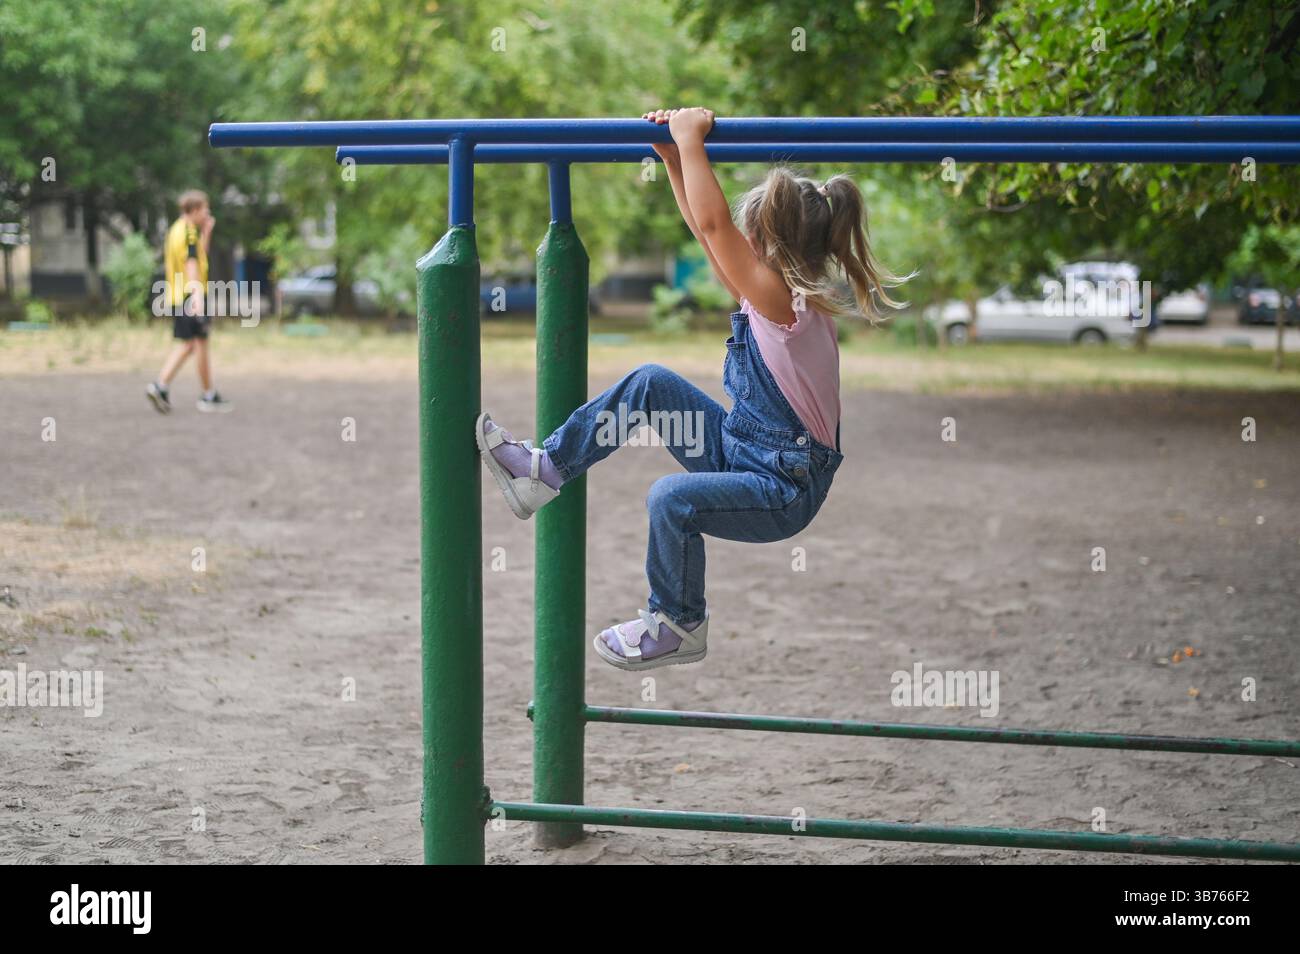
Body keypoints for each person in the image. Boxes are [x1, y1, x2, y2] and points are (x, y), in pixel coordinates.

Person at [476, 107, 908, 671]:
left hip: (781, 488)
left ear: (766, 243)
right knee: (651, 383)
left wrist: (690, 138)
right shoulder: (772, 294)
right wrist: (679, 163)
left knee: (669, 498)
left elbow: (713, 228)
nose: (735, 244)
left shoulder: (786, 306)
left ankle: (679, 622)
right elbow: (708, 237)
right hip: (745, 454)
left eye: (745, 235)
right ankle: (545, 470)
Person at [146, 189, 232, 413]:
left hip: (178, 293)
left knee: (197, 343)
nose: (207, 213)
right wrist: (196, 296)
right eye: (205, 209)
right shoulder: (189, 232)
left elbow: (197, 255)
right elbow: (191, 264)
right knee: (192, 344)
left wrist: (207, 232)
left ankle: (204, 393)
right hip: (189, 294)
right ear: (194, 210)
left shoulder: (177, 230)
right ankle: (163, 385)